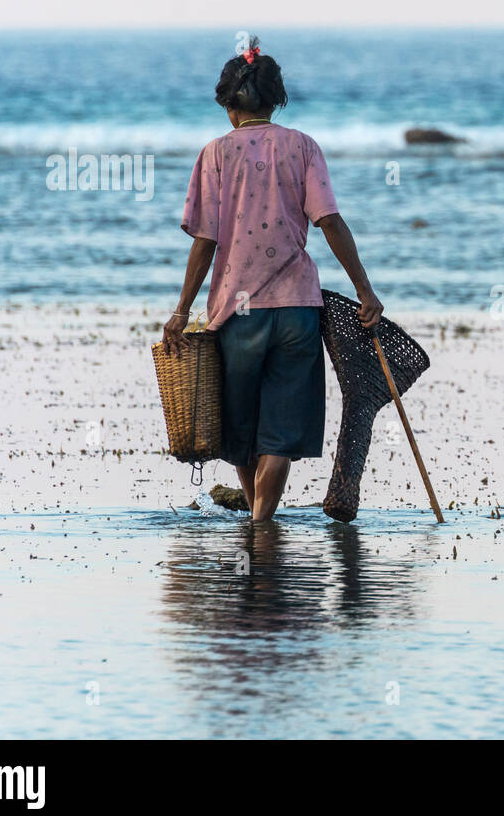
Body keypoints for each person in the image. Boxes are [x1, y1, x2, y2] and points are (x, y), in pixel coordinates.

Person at [162, 37, 383, 521]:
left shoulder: (215, 155)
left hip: (235, 314)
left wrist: (181, 311)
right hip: (297, 308)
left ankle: (260, 525)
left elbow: (203, 240)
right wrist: (365, 291)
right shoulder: (303, 147)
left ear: (228, 108)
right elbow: (330, 221)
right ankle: (263, 521)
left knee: (242, 431)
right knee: (279, 430)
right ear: (275, 100)